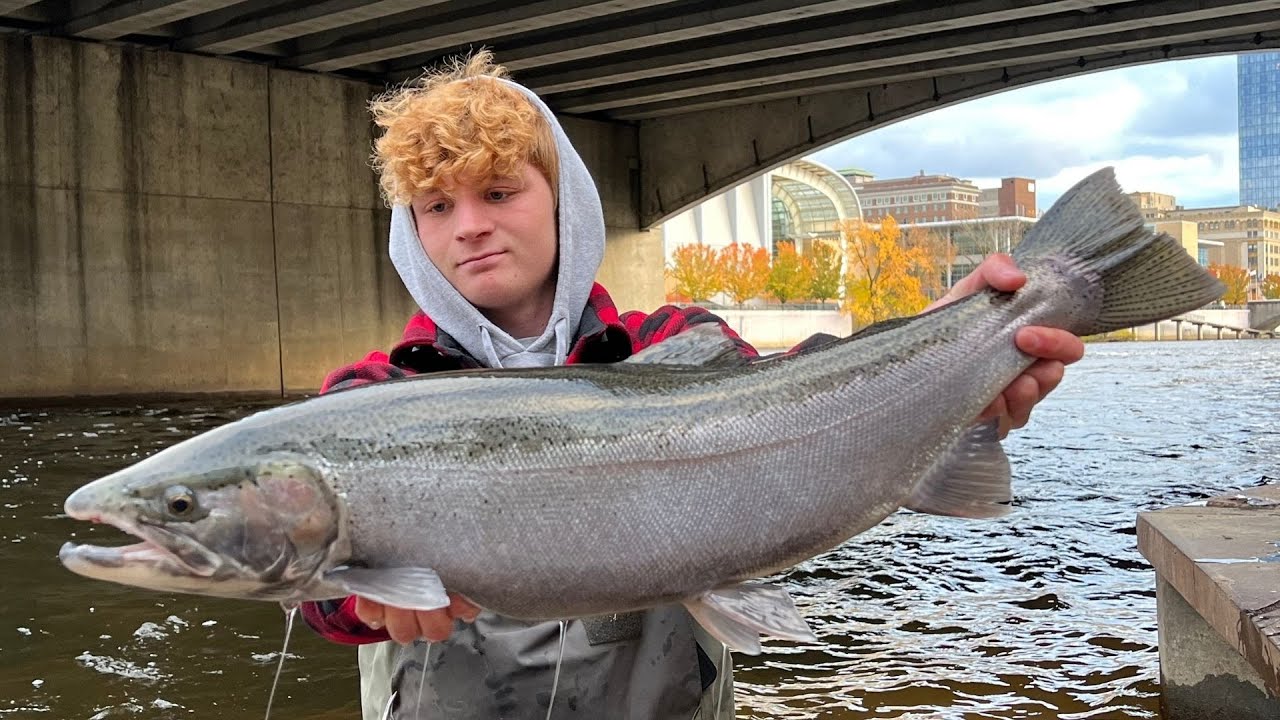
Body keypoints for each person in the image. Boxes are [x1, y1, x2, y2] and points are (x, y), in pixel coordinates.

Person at [300, 51, 1084, 720]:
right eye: (437, 206)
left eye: (499, 193)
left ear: (564, 200)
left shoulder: (674, 344)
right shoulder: (369, 396)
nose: (469, 225)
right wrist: (359, 599)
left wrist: (948, 356)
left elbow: (808, 399)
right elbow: (317, 599)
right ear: (412, 233)